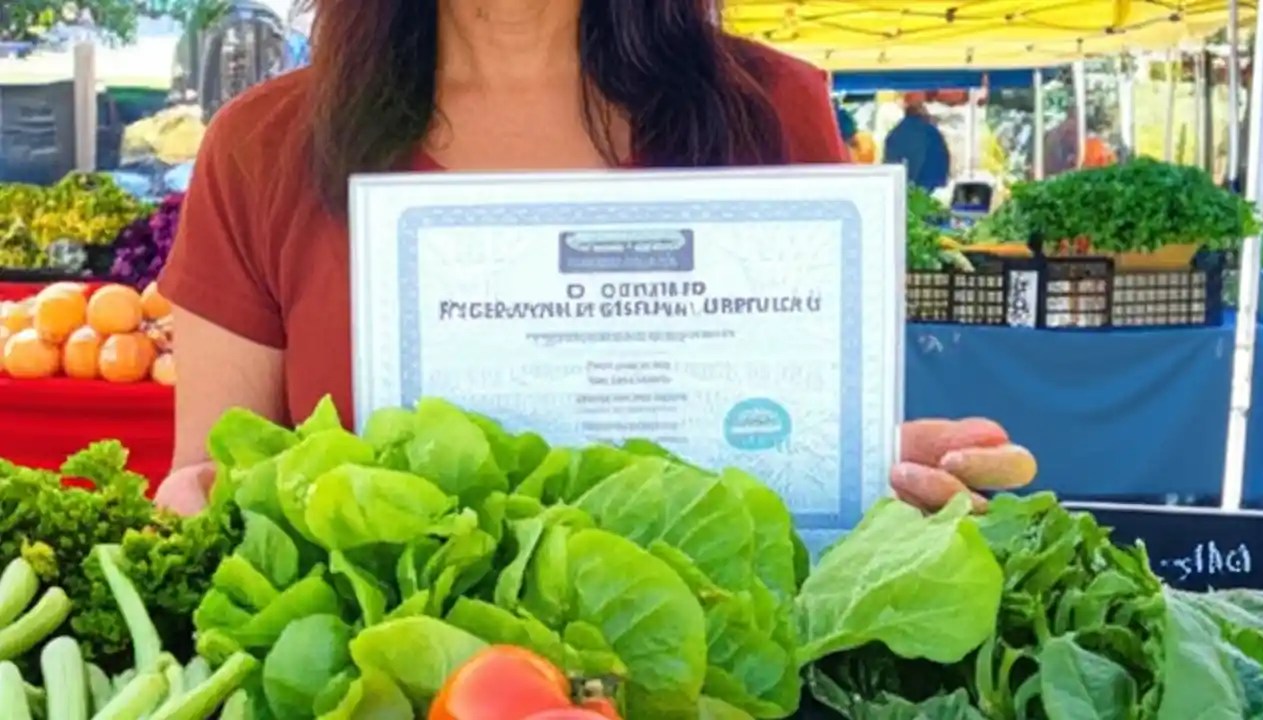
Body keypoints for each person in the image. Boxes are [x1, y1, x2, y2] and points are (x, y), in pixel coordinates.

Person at [153, 0, 1027, 516]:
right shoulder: (262, 148)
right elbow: (211, 471)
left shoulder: (775, 112)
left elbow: (812, 455)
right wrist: (196, 502)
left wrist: (888, 464)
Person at [882, 91, 950, 190]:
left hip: (902, 189)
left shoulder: (894, 134)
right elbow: (941, 160)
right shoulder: (931, 133)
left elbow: (890, 165)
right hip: (927, 188)